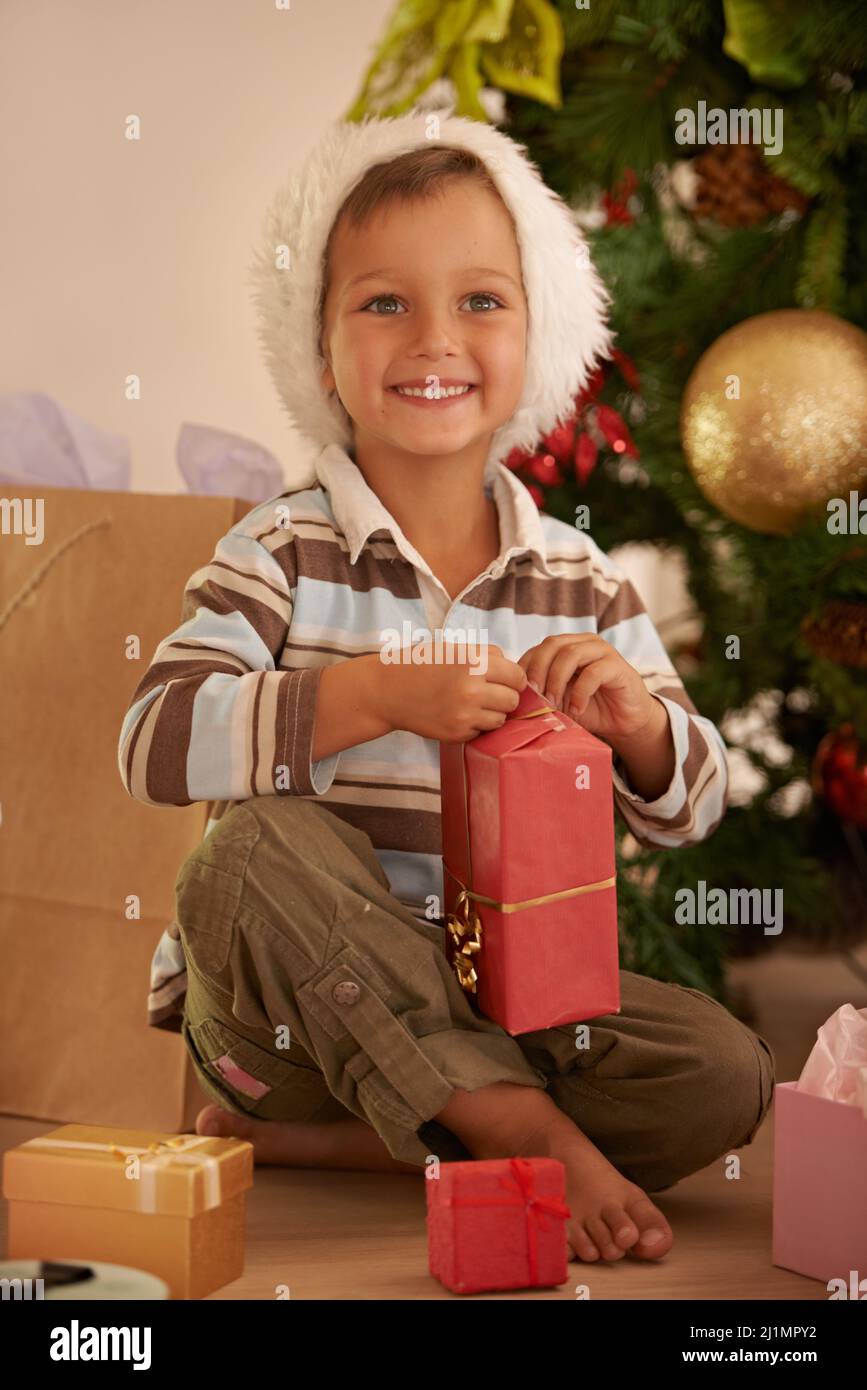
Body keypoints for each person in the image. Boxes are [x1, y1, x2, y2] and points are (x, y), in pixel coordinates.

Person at [118, 108, 775, 1265]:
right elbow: (153, 741)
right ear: (322, 355)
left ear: (538, 341)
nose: (434, 338)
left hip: (488, 1002)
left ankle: (392, 1136)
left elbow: (696, 805)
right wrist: (369, 698)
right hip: (282, 1025)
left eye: (481, 300)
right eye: (384, 302)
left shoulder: (579, 579)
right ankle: (515, 1125)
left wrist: (636, 726)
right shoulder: (280, 552)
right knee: (253, 850)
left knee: (724, 1075)